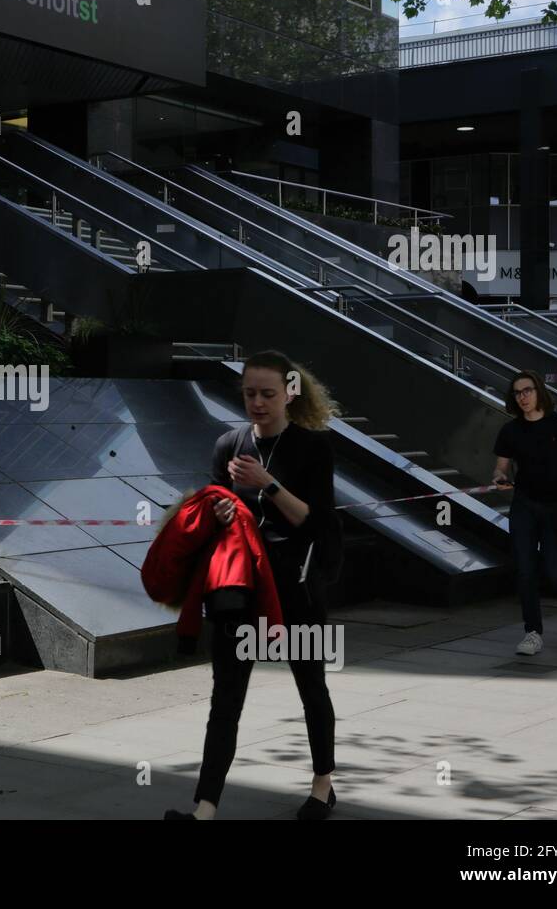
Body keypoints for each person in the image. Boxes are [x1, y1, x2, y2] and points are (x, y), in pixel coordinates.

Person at [166, 350, 339, 821]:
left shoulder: (314, 447)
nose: (257, 403)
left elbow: (316, 521)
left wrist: (268, 485)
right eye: (249, 394)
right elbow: (213, 511)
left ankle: (323, 785)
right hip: (239, 587)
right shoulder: (228, 444)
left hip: (295, 587)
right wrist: (218, 513)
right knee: (226, 697)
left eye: (267, 393)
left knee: (311, 686)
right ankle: (205, 807)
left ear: (289, 392)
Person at [491, 370, 557, 656]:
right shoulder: (510, 431)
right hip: (524, 506)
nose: (523, 397)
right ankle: (532, 632)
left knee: (555, 573)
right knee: (525, 570)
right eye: (517, 392)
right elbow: (501, 467)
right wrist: (498, 477)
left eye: (527, 390)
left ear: (539, 391)